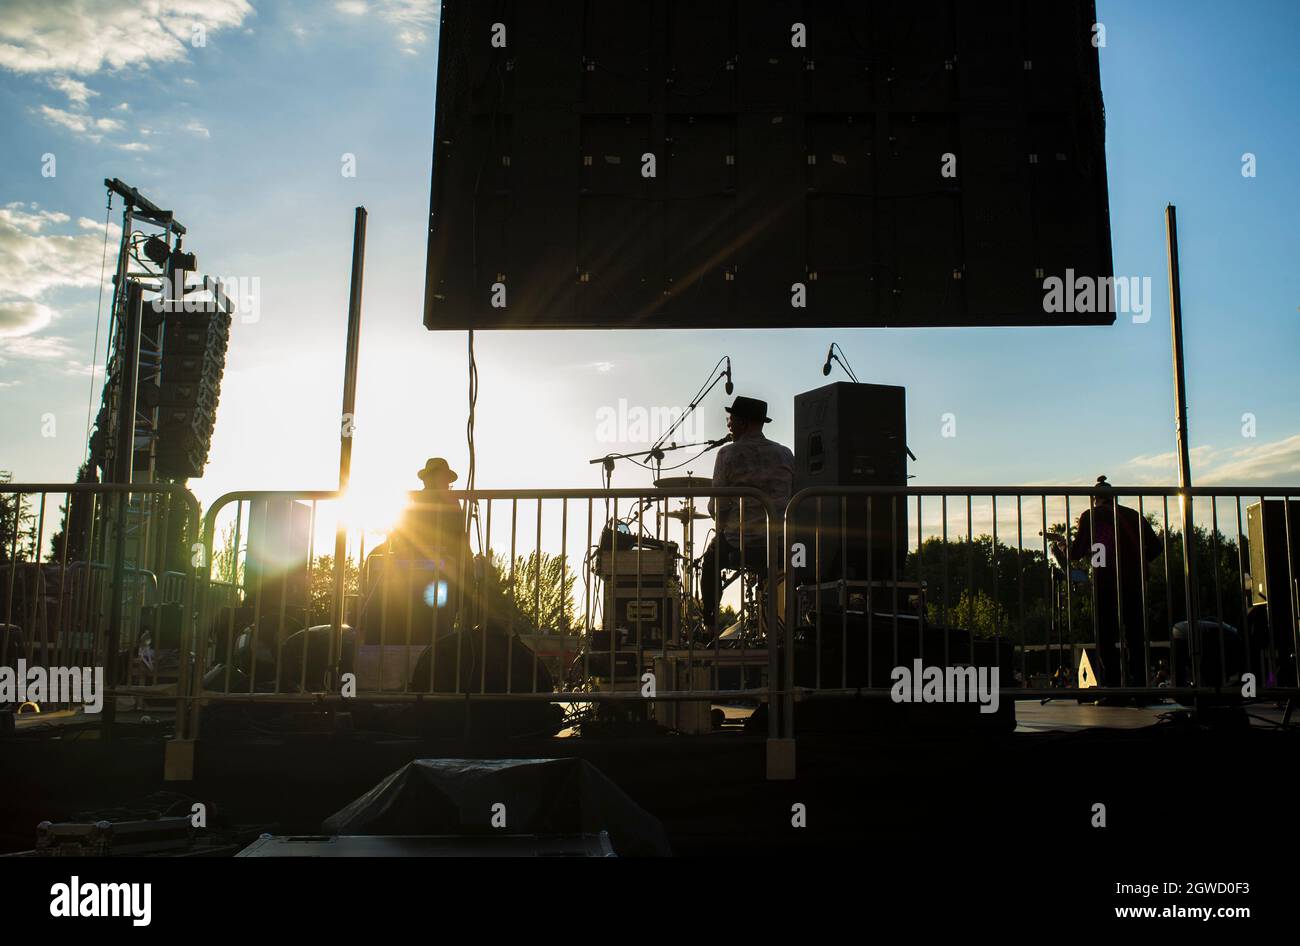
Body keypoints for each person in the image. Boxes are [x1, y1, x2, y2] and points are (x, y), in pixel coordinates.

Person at [700, 396, 794, 630]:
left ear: (743, 422)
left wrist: (719, 523)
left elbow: (718, 507)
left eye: (731, 419)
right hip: (782, 540)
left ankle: (710, 623)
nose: (728, 425)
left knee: (710, 561)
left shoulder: (727, 455)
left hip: (742, 540)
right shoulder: (785, 454)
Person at [1068, 475, 1160, 690]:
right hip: (1133, 581)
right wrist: (1138, 561)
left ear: (1093, 498)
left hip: (1104, 581)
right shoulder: (1132, 515)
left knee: (1105, 635)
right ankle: (1139, 684)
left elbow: (1077, 552)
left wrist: (1064, 548)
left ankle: (1113, 686)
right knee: (1135, 634)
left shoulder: (1090, 516)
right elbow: (1155, 547)